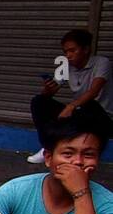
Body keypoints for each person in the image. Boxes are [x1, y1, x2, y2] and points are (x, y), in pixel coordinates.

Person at [29, 29, 113, 163]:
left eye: (72, 51)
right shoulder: (67, 66)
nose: (68, 55)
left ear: (85, 49)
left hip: (102, 117)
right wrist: (48, 89)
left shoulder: (102, 63)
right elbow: (52, 91)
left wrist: (71, 106)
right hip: (78, 112)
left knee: (88, 104)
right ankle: (48, 147)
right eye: (65, 52)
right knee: (39, 101)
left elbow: (94, 91)